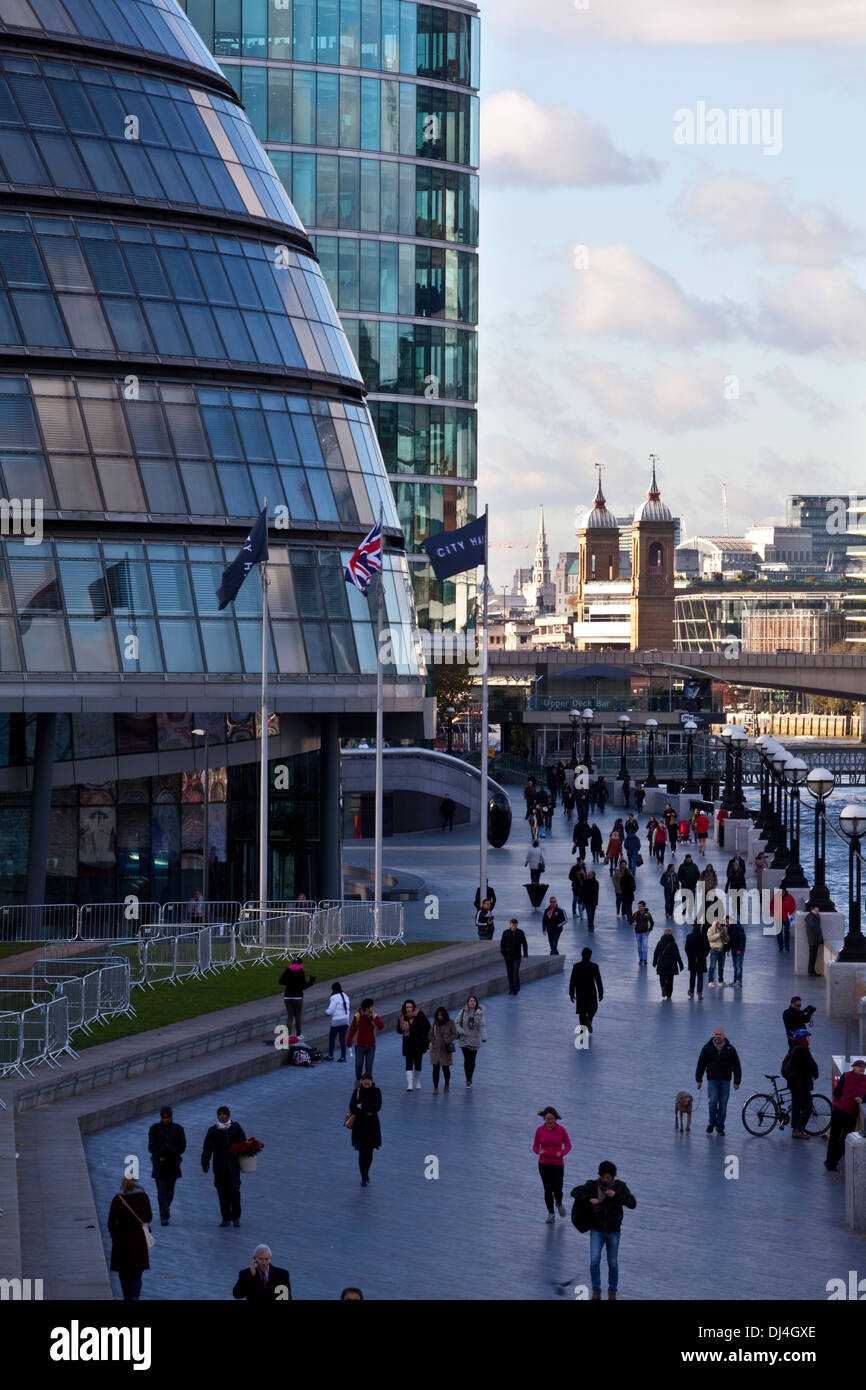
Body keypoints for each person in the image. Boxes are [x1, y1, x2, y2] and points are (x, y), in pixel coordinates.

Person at [571, 1161, 636, 1302]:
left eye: (608, 1177)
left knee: (612, 1262)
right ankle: (596, 1290)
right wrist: (589, 1199)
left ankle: (612, 1291)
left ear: (612, 1176)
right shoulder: (592, 1185)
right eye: (603, 1177)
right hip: (597, 1231)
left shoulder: (620, 1187)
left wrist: (617, 1195)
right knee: (594, 1260)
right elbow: (574, 1192)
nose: (605, 1180)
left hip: (614, 1232)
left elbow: (632, 1203)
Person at [108, 1175, 153, 1301]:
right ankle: (135, 1296)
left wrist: (114, 1236)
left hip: (121, 1242)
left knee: (123, 1274)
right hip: (138, 1240)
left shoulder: (118, 1199)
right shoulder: (143, 1197)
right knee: (136, 1273)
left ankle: (127, 1296)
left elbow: (111, 1222)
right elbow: (148, 1217)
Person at [202, 1105, 246, 1227]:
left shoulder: (235, 1128)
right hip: (220, 1169)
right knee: (222, 1194)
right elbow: (207, 1148)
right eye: (220, 1114)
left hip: (233, 1168)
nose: (222, 1116)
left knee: (235, 1193)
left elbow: (243, 1142)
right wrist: (205, 1162)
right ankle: (225, 1217)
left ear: (228, 1115)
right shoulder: (213, 1130)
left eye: (224, 1114)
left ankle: (236, 1217)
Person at [695, 1028, 742, 1135]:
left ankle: (720, 1127)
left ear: (724, 1036)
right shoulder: (707, 1048)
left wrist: (737, 1081)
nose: (718, 1036)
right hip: (712, 1080)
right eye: (716, 1034)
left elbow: (736, 1065)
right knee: (712, 1102)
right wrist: (699, 1079)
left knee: (723, 1105)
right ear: (714, 1035)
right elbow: (701, 1064)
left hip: (725, 1081)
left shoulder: (730, 1049)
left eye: (720, 1034)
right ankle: (711, 1123)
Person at [148, 1104, 186, 1226]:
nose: (166, 1120)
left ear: (171, 1117)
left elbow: (182, 1146)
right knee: (162, 1190)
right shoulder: (154, 1129)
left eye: (167, 1117)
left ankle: (165, 1208)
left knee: (170, 1191)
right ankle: (164, 1214)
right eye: (164, 1117)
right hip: (159, 1164)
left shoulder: (178, 1129)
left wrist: (171, 1152)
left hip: (173, 1165)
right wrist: (160, 1153)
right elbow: (151, 1147)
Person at [824, 1058, 866, 1172]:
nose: (862, 1068)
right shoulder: (846, 1076)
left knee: (846, 1139)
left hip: (852, 1114)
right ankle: (830, 1163)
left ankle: (834, 1159)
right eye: (859, 1066)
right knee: (834, 1137)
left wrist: (862, 1099)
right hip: (839, 1111)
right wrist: (842, 1101)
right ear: (853, 1067)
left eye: (864, 1067)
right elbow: (837, 1092)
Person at [533, 1107, 572, 1223]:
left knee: (558, 1188)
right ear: (544, 1118)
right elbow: (535, 1146)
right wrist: (538, 1152)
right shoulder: (539, 1130)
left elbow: (568, 1145)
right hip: (544, 1164)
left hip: (557, 1164)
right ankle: (551, 1213)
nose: (549, 1121)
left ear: (556, 1118)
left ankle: (559, 1203)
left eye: (552, 1118)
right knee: (547, 1189)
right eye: (547, 1119)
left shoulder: (561, 1130)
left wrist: (562, 1153)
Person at [782, 1031, 820, 1139]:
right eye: (807, 1037)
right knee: (808, 1108)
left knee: (796, 1107)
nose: (809, 1039)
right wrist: (815, 1074)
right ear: (802, 1038)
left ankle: (795, 1130)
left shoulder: (793, 1048)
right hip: (801, 1084)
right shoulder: (803, 1050)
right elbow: (811, 1065)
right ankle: (798, 1130)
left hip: (793, 1084)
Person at [348, 1071, 382, 1184]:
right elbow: (352, 1107)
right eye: (364, 1081)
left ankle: (366, 1172)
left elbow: (377, 1106)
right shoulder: (356, 1092)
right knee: (362, 1153)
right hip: (360, 1127)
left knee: (369, 1153)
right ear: (362, 1081)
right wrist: (367, 1110)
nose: (367, 1083)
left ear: (372, 1081)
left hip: (372, 1128)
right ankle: (364, 1176)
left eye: (369, 1081)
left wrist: (362, 1106)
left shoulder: (376, 1091)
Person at [396, 999, 431, 1091]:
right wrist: (402, 1028)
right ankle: (410, 1084)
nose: (408, 1009)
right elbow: (398, 1031)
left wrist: (423, 1035)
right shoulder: (402, 1016)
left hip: (419, 1043)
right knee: (408, 1063)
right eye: (407, 1007)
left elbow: (428, 1026)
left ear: (413, 1007)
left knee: (418, 1063)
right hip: (408, 1043)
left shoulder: (420, 1014)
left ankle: (417, 1081)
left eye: (410, 1007)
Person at [278, 955, 316, 1037]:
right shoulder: (301, 972)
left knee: (290, 1016)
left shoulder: (287, 971)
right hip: (298, 997)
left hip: (287, 997)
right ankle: (298, 1035)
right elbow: (303, 986)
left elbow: (281, 981)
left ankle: (288, 1035)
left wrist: (289, 982)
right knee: (298, 1016)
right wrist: (311, 982)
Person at [347, 998, 384, 1078]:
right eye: (371, 1006)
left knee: (369, 1066)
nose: (373, 1008)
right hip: (360, 1045)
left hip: (371, 1045)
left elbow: (381, 1026)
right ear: (367, 1008)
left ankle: (368, 1083)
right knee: (359, 1064)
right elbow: (352, 1029)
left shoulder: (374, 1016)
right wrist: (349, 1040)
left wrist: (372, 1018)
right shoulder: (358, 1016)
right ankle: (358, 1079)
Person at [569, 946, 604, 1032]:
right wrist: (601, 992)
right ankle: (589, 1020)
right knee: (593, 1008)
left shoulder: (576, 966)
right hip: (591, 991)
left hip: (580, 992)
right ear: (590, 955)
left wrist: (571, 993)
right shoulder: (594, 966)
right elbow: (598, 981)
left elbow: (572, 980)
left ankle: (583, 1028)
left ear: (582, 955)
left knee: (582, 1011)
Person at [455, 994, 487, 1086]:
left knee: (472, 1060)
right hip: (464, 1039)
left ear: (476, 1003)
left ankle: (470, 1077)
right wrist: (462, 1031)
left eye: (474, 1001)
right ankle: (467, 1079)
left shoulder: (480, 1013)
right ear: (467, 1003)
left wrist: (484, 1037)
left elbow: (482, 1026)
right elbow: (456, 1023)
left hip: (475, 1039)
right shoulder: (463, 1012)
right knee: (467, 1058)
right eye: (470, 1001)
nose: (472, 1002)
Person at [429, 1005, 459, 1093]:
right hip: (435, 1049)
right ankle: (435, 1088)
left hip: (445, 1050)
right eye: (438, 1015)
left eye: (441, 1015)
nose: (439, 1017)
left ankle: (447, 1084)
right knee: (435, 1069)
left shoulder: (451, 1023)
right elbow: (430, 1034)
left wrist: (447, 1040)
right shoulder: (435, 1023)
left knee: (446, 1069)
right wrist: (434, 1041)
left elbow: (455, 1034)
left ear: (445, 1015)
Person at [652, 927, 684, 1001]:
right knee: (670, 979)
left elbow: (656, 953)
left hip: (662, 963)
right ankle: (669, 994)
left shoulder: (659, 943)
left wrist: (654, 963)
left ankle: (663, 987)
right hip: (671, 964)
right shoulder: (674, 944)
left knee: (662, 977)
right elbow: (677, 955)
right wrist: (681, 965)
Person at [501, 917, 529, 995]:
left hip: (517, 956)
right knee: (509, 973)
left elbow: (524, 943)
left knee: (515, 972)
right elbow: (502, 944)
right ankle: (511, 989)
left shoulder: (520, 932)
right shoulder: (505, 933)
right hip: (508, 957)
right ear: (510, 925)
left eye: (516, 925)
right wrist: (504, 954)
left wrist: (525, 954)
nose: (514, 927)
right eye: (513, 925)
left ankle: (516, 988)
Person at [325, 982, 351, 1062]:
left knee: (332, 1038)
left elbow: (331, 1010)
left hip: (337, 1021)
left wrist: (326, 1012)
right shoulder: (345, 996)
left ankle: (330, 1056)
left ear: (334, 989)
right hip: (346, 1020)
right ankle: (343, 1057)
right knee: (342, 1039)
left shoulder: (334, 997)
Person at [684, 922, 708, 999]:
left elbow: (687, 949)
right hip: (701, 958)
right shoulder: (704, 937)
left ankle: (691, 991)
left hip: (692, 958)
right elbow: (708, 947)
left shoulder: (689, 936)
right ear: (700, 927)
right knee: (700, 976)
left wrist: (690, 956)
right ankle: (699, 993)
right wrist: (704, 955)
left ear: (693, 927)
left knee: (692, 976)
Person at [772, 888, 796, 954]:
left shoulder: (790, 897)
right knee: (779, 933)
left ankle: (787, 946)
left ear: (785, 891)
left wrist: (790, 912)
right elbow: (771, 904)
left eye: (782, 890)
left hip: (786, 918)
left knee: (787, 932)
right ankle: (781, 947)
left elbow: (793, 905)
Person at [706, 918, 729, 987]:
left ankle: (721, 981)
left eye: (723, 925)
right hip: (714, 950)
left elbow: (727, 939)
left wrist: (725, 935)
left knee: (721, 967)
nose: (722, 926)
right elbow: (710, 938)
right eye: (721, 925)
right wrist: (719, 934)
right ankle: (710, 981)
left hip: (722, 950)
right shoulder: (711, 929)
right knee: (712, 966)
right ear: (717, 923)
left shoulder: (723, 929)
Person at [677, 854, 700, 922]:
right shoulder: (682, 866)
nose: (689, 859)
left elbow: (698, 874)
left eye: (689, 858)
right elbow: (679, 875)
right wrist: (682, 881)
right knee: (684, 898)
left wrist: (696, 881)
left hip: (692, 885)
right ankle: (684, 909)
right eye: (688, 858)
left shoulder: (694, 866)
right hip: (684, 885)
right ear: (686, 859)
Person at [631, 901, 654, 966]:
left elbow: (652, 923)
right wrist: (632, 923)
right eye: (638, 906)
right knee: (639, 947)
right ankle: (641, 959)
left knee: (645, 945)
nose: (639, 907)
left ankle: (645, 959)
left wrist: (649, 930)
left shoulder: (648, 914)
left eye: (640, 906)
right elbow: (630, 920)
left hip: (645, 933)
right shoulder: (636, 913)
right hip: (638, 933)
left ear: (644, 906)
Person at [805, 905, 823, 975]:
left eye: (818, 911)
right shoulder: (811, 917)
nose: (817, 912)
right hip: (813, 940)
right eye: (816, 911)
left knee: (813, 957)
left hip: (813, 940)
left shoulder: (812, 917)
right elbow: (814, 927)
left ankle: (811, 971)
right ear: (812, 910)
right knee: (812, 957)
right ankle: (811, 971)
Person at [728, 918, 746, 986]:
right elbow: (729, 940)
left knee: (739, 966)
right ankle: (735, 980)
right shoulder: (730, 928)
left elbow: (743, 938)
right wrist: (728, 949)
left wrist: (740, 949)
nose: (727, 924)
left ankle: (739, 981)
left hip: (739, 950)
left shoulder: (739, 927)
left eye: (728, 922)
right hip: (733, 949)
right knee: (735, 966)